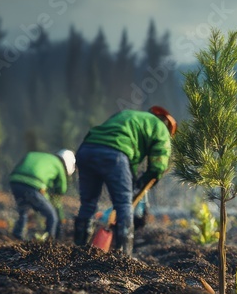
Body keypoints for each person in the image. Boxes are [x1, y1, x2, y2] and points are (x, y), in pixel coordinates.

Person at [73, 106, 176, 255]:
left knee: (88, 203)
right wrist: (144, 181)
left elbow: (128, 166)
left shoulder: (128, 115)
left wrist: (134, 182)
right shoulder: (160, 127)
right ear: (167, 124)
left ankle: (79, 251)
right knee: (124, 205)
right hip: (114, 154)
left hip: (86, 150)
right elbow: (158, 165)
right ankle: (124, 257)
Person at [9, 149, 75, 240]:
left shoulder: (45, 158)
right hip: (33, 184)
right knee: (52, 216)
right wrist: (54, 200)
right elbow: (61, 189)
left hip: (15, 181)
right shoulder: (59, 165)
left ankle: (17, 235)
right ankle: (49, 242)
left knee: (24, 209)